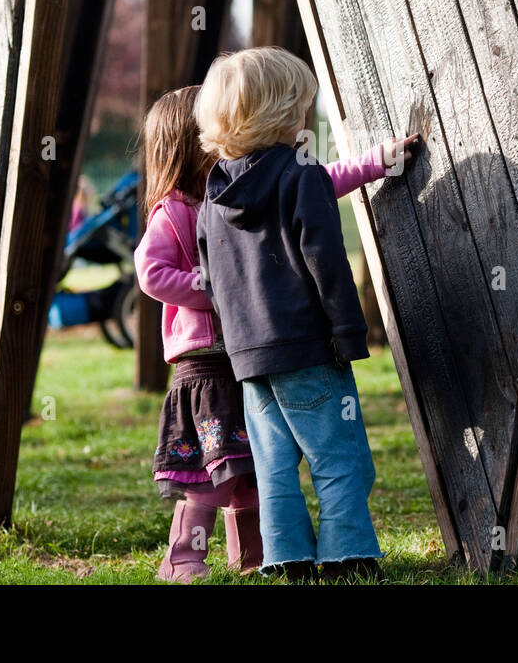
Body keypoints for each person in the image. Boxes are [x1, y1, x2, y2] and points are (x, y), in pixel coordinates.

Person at [135, 79, 413, 582]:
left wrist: (376, 162)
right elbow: (151, 272)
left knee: (252, 465)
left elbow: (327, 178)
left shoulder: (234, 190)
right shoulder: (178, 209)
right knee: (209, 471)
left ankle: (259, 556)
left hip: (244, 350)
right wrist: (212, 287)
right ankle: (183, 557)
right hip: (206, 357)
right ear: (187, 141)